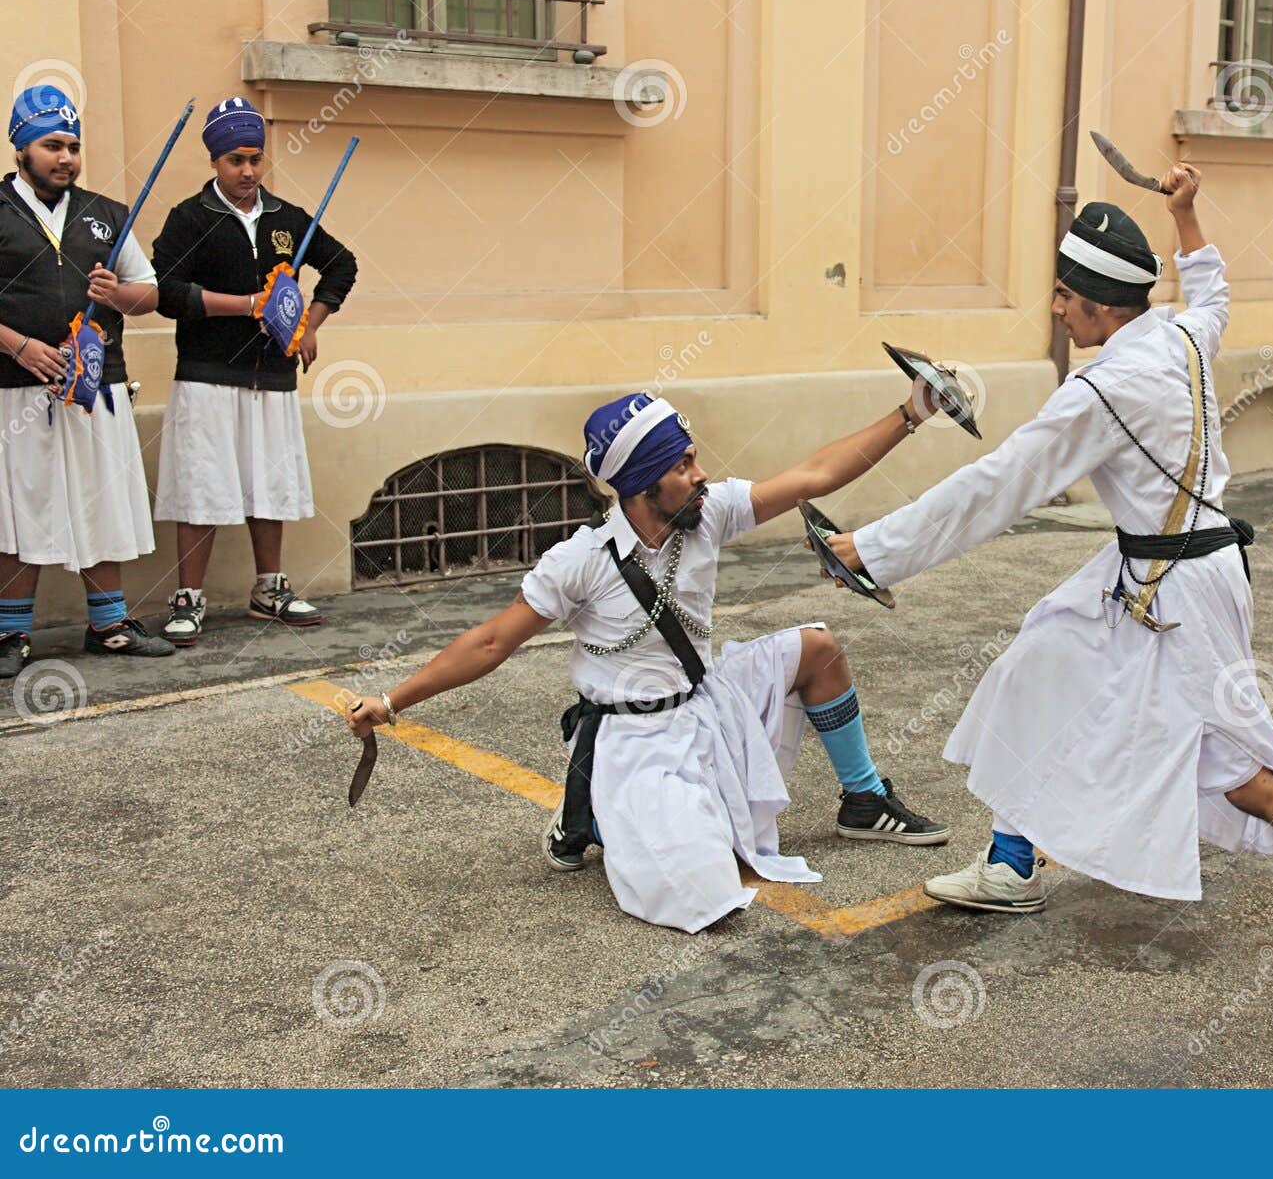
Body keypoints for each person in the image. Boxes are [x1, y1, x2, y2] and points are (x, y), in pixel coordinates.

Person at [824, 165, 1273, 966]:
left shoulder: (1104, 391)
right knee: (1041, 662)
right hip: (1153, 571)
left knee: (1237, 771)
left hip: (1183, 587)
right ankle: (1013, 865)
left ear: (1099, 305)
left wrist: (870, 550)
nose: (1054, 307)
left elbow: (997, 488)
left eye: (1064, 295)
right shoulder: (1179, 335)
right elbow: (1214, 293)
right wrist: (1186, 215)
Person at [346, 387, 951, 933]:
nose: (701, 472)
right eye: (683, 464)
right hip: (636, 738)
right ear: (641, 485)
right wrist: (393, 701)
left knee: (819, 647)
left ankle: (865, 799)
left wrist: (914, 412)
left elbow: (815, 474)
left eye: (693, 457)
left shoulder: (708, 512)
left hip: (707, 699)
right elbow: (489, 643)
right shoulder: (579, 561)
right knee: (703, 889)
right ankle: (593, 809)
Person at [150, 97, 358, 646]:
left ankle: (270, 588)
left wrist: (309, 324)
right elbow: (166, 293)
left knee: (269, 484)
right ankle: (188, 597)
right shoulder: (188, 219)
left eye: (255, 159)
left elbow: (342, 263)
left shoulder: (288, 218)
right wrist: (248, 304)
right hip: (205, 374)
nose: (247, 171)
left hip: (271, 377)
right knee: (201, 485)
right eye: (235, 161)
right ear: (215, 162)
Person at [0, 82, 176, 679]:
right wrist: (18, 344)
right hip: (16, 389)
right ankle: (10, 633)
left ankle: (110, 626)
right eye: (53, 145)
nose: (67, 158)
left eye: (74, 146)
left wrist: (117, 294)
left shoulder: (108, 215)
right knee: (21, 507)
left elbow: (150, 294)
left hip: (96, 384)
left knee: (100, 503)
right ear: (21, 148)